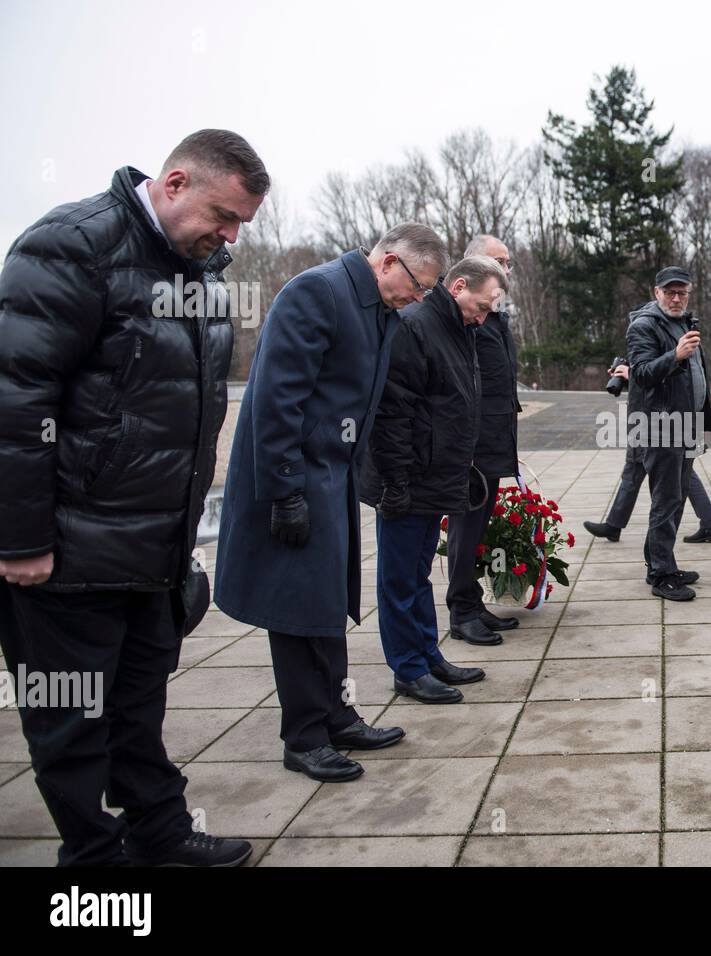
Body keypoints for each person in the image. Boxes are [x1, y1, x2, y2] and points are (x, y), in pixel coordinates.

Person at [0, 130, 268, 866]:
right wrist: (20, 540)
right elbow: (17, 403)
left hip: (155, 546)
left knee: (138, 708)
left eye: (243, 223)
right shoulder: (70, 248)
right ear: (174, 182)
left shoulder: (200, 273)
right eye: (224, 214)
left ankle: (160, 831)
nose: (230, 235)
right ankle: (94, 857)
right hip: (68, 551)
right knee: (69, 718)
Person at [214, 223, 446, 783]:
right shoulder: (316, 292)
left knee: (327, 604)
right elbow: (276, 399)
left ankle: (337, 714)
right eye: (418, 286)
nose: (419, 299)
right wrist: (285, 489)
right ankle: (304, 736)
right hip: (295, 481)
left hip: (332, 476)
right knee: (297, 610)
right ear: (388, 261)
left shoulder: (377, 309)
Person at [359, 255, 509, 703]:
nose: (484, 317)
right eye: (481, 305)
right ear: (458, 285)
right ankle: (407, 669)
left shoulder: (459, 328)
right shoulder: (415, 324)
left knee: (420, 574)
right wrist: (396, 485)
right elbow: (393, 412)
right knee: (400, 578)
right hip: (407, 479)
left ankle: (428, 655)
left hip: (436, 476)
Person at [444, 236, 524, 641]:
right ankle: (461, 612)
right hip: (473, 444)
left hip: (494, 438)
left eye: (508, 263)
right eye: (499, 262)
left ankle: (472, 601)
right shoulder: (467, 318)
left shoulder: (493, 316)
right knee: (465, 527)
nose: (506, 270)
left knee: (479, 528)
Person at [626, 267, 711, 601]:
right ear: (656, 292)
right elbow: (643, 374)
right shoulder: (643, 326)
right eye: (670, 292)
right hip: (659, 426)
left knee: (675, 499)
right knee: (666, 501)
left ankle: (662, 563)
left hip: (686, 425)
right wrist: (675, 355)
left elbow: (698, 379)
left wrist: (703, 426)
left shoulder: (685, 323)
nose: (677, 298)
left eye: (683, 292)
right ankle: (661, 575)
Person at [584, 363, 711, 544]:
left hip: (657, 421)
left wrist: (631, 374)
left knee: (642, 469)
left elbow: (668, 378)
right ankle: (709, 524)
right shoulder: (669, 341)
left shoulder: (667, 341)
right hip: (663, 419)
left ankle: (614, 525)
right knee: (667, 471)